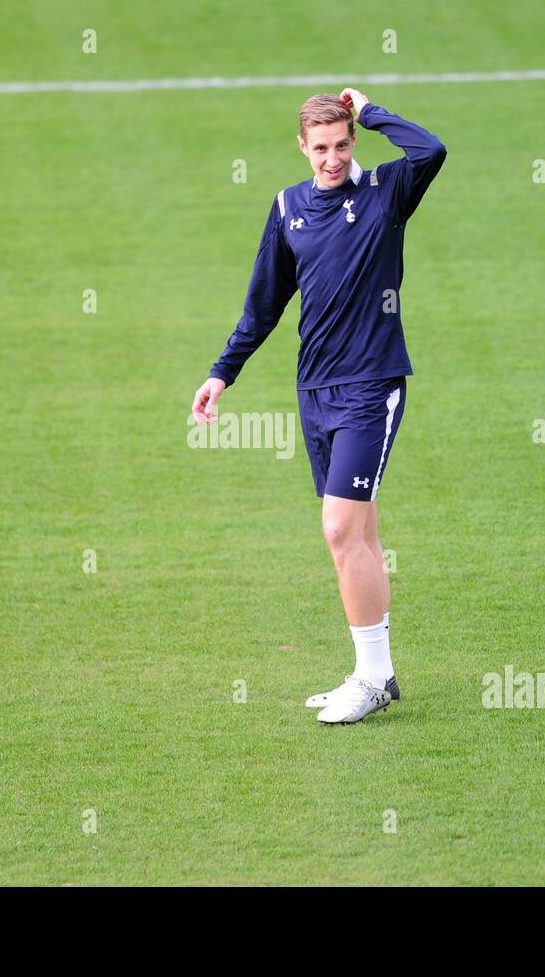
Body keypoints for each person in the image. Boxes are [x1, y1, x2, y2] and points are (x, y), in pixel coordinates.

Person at [191, 87, 446, 724]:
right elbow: (265, 304)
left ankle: (368, 677)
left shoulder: (386, 193)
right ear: (302, 147)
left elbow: (432, 149)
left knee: (338, 528)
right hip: (315, 391)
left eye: (342, 144)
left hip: (372, 385)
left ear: (352, 139)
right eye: (321, 148)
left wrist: (372, 110)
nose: (332, 159)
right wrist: (223, 372)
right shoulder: (288, 208)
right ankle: (376, 674)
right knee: (358, 533)